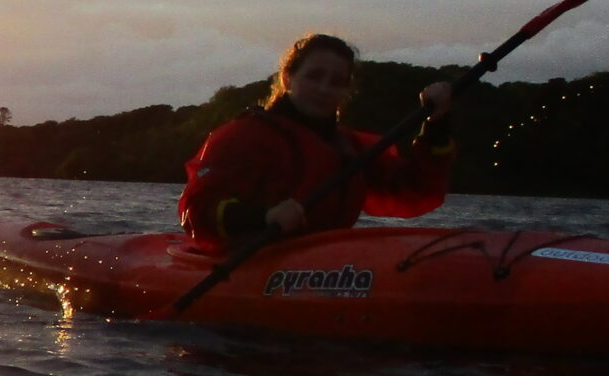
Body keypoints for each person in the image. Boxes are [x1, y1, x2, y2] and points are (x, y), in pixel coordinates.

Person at [176, 33, 455, 252]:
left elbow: (416, 192)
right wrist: (264, 216)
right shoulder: (244, 136)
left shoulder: (351, 147)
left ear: (346, 91)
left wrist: (437, 125)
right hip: (252, 261)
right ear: (288, 78)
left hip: (325, 268)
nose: (324, 89)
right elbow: (196, 211)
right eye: (314, 76)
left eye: (336, 82)